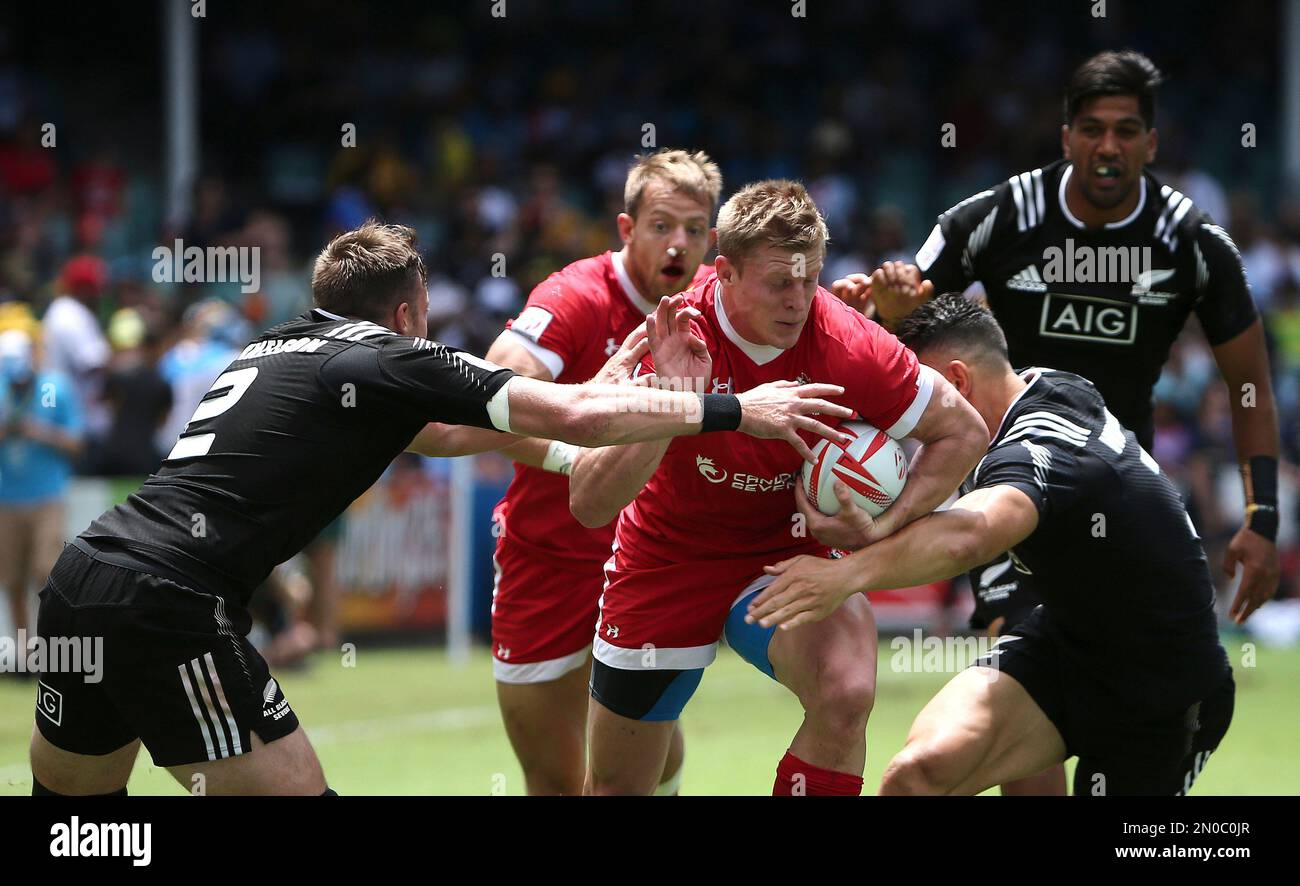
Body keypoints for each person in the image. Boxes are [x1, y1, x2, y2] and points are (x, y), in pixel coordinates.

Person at [29, 220, 849, 797]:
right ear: (406, 313)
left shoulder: (274, 345)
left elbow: (445, 435)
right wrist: (739, 410)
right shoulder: (391, 355)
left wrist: (603, 391)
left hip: (83, 579)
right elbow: (554, 417)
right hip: (167, 607)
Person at [833, 50, 1276, 795]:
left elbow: (1250, 385)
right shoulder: (994, 218)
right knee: (1016, 756)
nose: (1110, 147)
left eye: (1128, 131)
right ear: (1067, 136)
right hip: (1009, 483)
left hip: (1116, 497)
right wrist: (871, 309)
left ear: (1152, 144)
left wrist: (1263, 514)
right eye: (1094, 129)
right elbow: (910, 330)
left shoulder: (1191, 243)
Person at [568, 181, 988, 795]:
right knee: (618, 786)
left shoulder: (848, 343)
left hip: (785, 555)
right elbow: (589, 502)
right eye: (778, 283)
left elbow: (963, 431)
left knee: (846, 691)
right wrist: (673, 405)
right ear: (726, 271)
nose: (798, 302)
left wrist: (884, 524)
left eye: (809, 280)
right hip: (666, 559)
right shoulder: (672, 337)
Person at [747, 295, 1236, 796]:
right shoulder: (1045, 386)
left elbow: (971, 534)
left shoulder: (1040, 448)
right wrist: (864, 322)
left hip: (1166, 683)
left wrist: (846, 574)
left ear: (956, 383)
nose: (905, 421)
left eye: (918, 398)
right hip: (1069, 648)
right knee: (917, 777)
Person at [483, 149, 720, 795]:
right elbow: (492, 400)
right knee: (558, 780)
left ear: (712, 238)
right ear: (626, 228)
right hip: (551, 559)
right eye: (662, 225)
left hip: (651, 566)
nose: (678, 244)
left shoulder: (716, 307)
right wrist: (577, 454)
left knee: (651, 764)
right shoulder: (575, 297)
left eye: (694, 230)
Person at [0, 319, 83, 646]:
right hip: (7, 498)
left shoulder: (56, 388)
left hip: (48, 496)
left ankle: (52, 648)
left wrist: (40, 432)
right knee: (12, 581)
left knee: (45, 574)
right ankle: (26, 654)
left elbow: (78, 443)